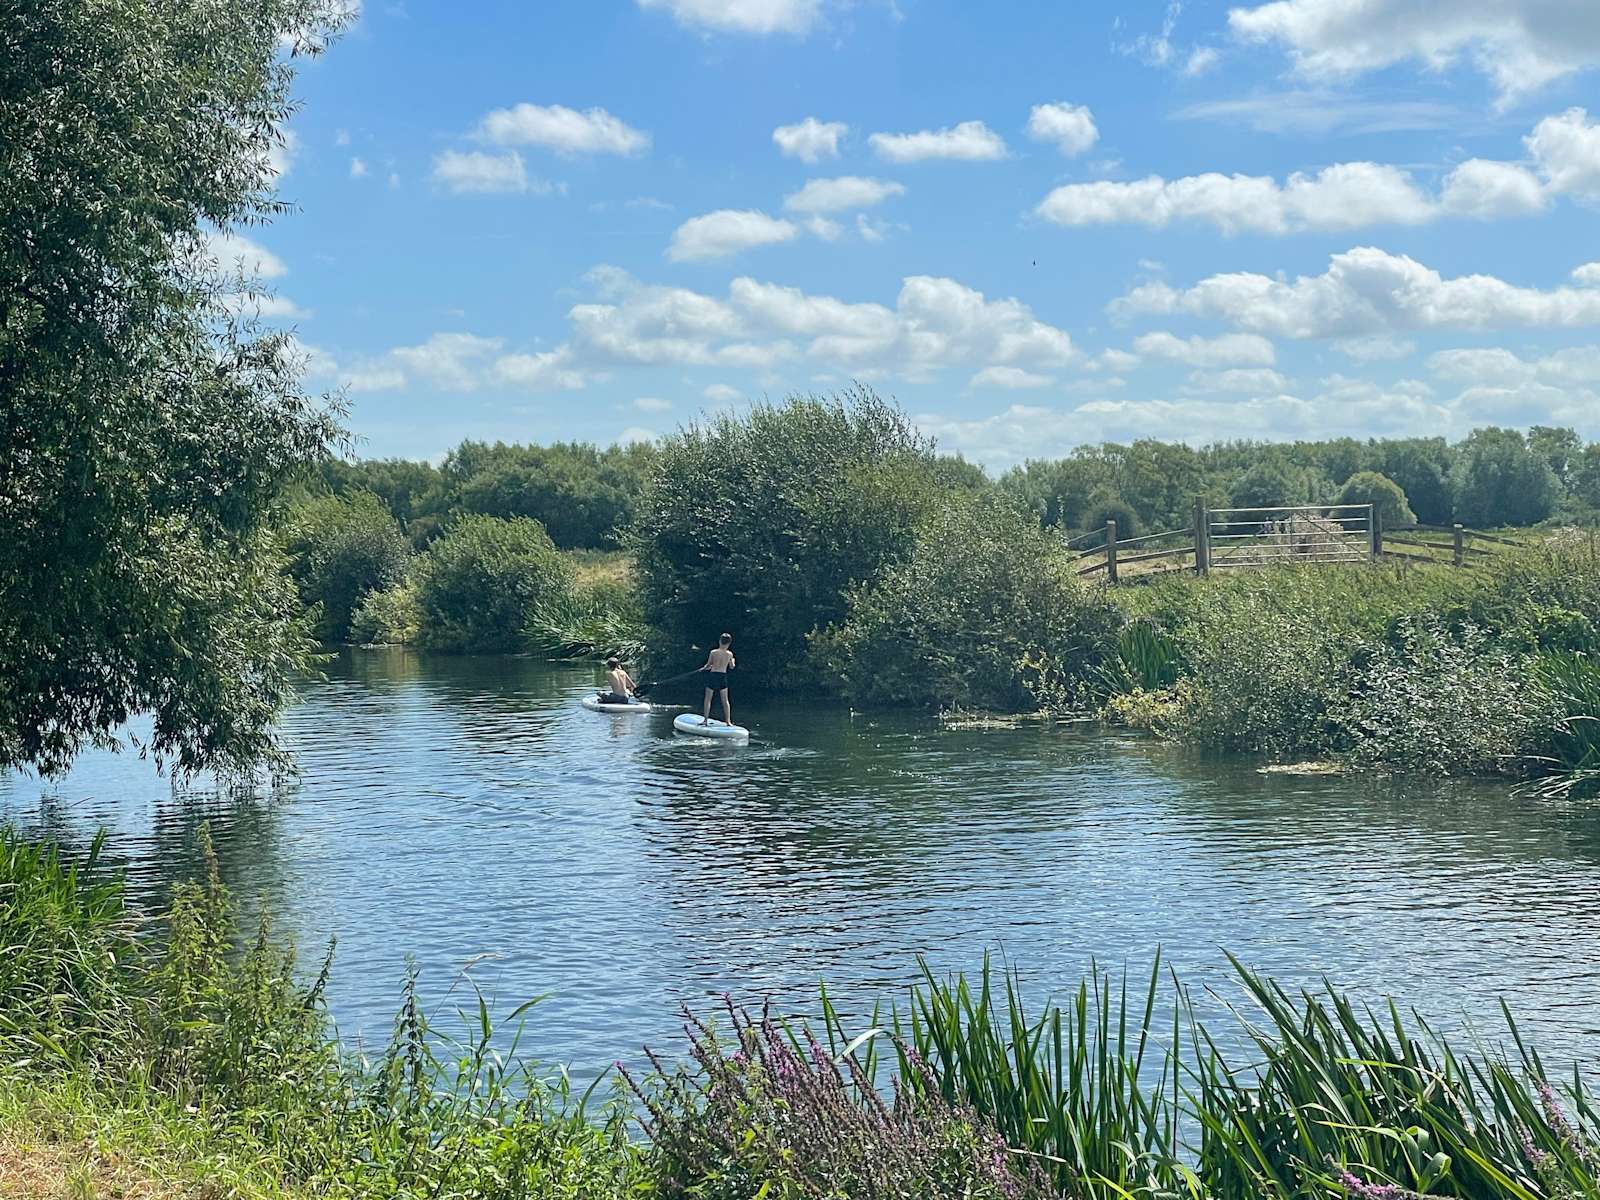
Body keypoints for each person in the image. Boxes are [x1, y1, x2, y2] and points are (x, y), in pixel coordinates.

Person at [700, 634, 735, 726]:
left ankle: (705, 720)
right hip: (722, 676)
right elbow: (731, 667)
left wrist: (704, 668)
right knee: (725, 700)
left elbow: (708, 665)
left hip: (713, 675)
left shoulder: (713, 652)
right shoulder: (730, 654)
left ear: (720, 641)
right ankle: (728, 721)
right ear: (729, 643)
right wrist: (733, 661)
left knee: (708, 699)